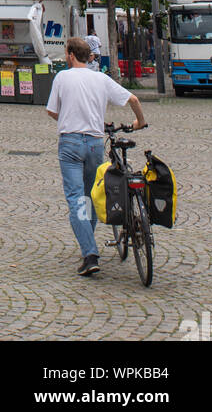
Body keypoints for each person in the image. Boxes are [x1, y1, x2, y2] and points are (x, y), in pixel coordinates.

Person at [46, 36, 146, 277]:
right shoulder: (101, 78)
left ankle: (90, 253)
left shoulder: (62, 77)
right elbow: (133, 98)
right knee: (90, 195)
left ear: (70, 55)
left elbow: (51, 111)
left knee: (75, 198)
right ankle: (87, 242)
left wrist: (70, 121)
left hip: (70, 142)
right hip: (93, 143)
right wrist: (140, 121)